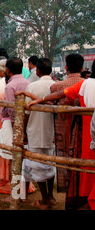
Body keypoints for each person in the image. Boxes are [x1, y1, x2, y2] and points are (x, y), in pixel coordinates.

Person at [27, 60, 95, 210]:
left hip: (86, 136)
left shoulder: (86, 85)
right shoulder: (84, 83)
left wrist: (40, 99)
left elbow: (60, 94)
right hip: (84, 134)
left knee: (86, 169)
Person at [18, 58, 56, 209]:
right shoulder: (55, 85)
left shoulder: (32, 86)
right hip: (52, 131)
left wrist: (23, 130)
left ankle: (45, 198)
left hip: (35, 129)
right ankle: (51, 196)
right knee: (51, 163)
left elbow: (26, 112)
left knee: (36, 164)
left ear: (38, 71)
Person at [50, 53, 85, 196]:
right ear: (82, 68)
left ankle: (65, 187)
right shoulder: (85, 84)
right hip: (81, 129)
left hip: (62, 128)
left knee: (62, 158)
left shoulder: (57, 86)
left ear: (66, 67)